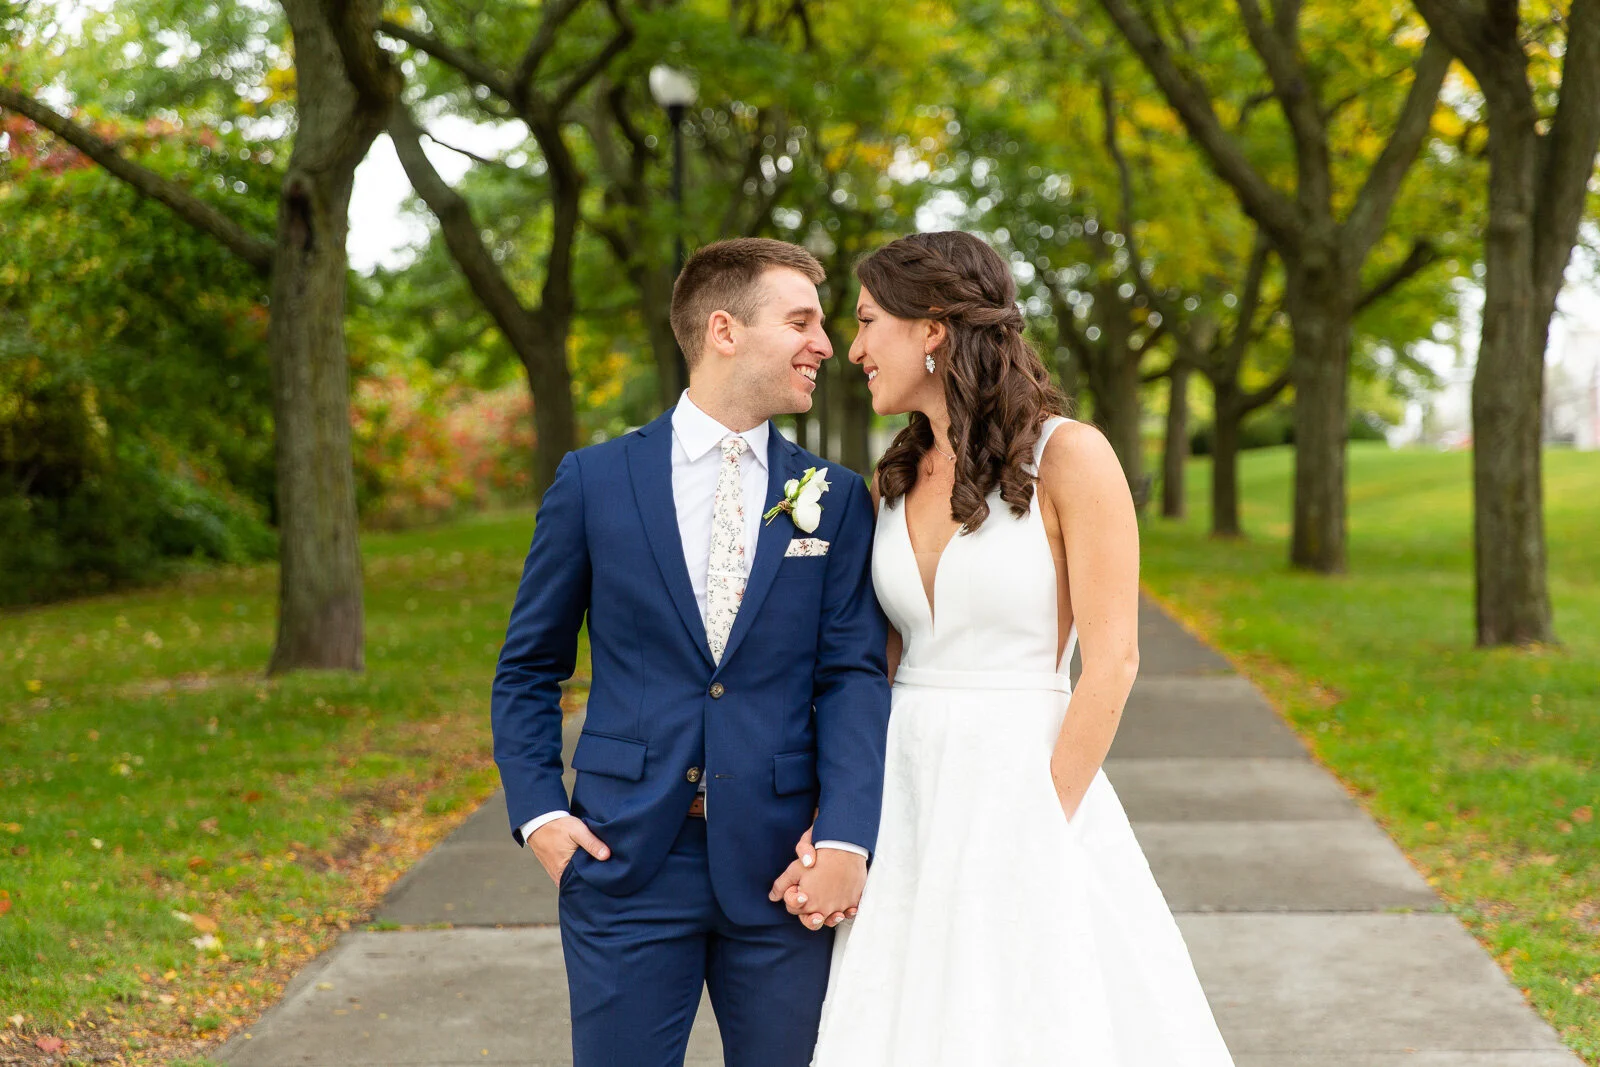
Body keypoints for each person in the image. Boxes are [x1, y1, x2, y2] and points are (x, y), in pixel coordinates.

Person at [784, 231, 1237, 1065]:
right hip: (909, 791)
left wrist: (1037, 822)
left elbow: (1113, 662)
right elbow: (872, 669)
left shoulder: (1070, 455)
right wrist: (841, 817)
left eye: (866, 321)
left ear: (932, 329)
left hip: (1023, 781)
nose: (850, 348)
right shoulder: (895, 473)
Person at [490, 238, 891, 1067]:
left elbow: (852, 675)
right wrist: (539, 814)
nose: (827, 344)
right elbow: (530, 665)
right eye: (802, 321)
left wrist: (847, 837)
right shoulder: (594, 482)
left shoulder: (838, 497)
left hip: (785, 868)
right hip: (623, 858)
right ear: (724, 330)